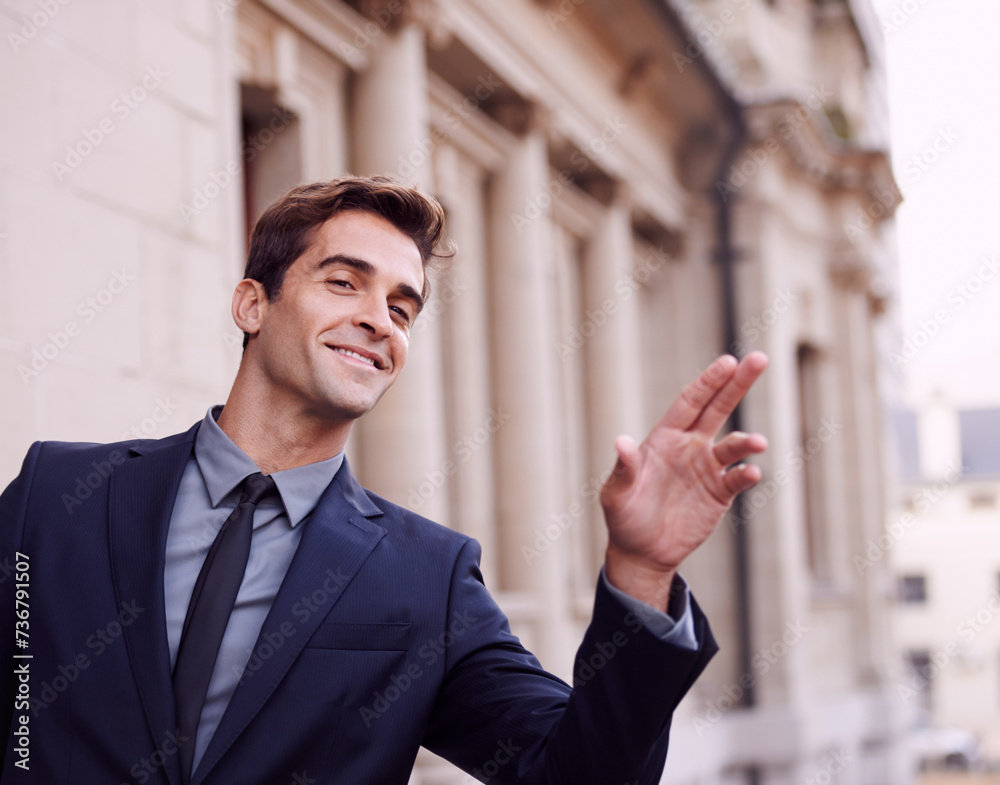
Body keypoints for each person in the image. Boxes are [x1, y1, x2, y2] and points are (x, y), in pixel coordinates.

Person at [0, 175, 768, 785]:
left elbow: (577, 772)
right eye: (344, 282)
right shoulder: (57, 495)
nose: (380, 319)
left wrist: (640, 571)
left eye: (403, 308)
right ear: (252, 304)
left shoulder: (428, 578)